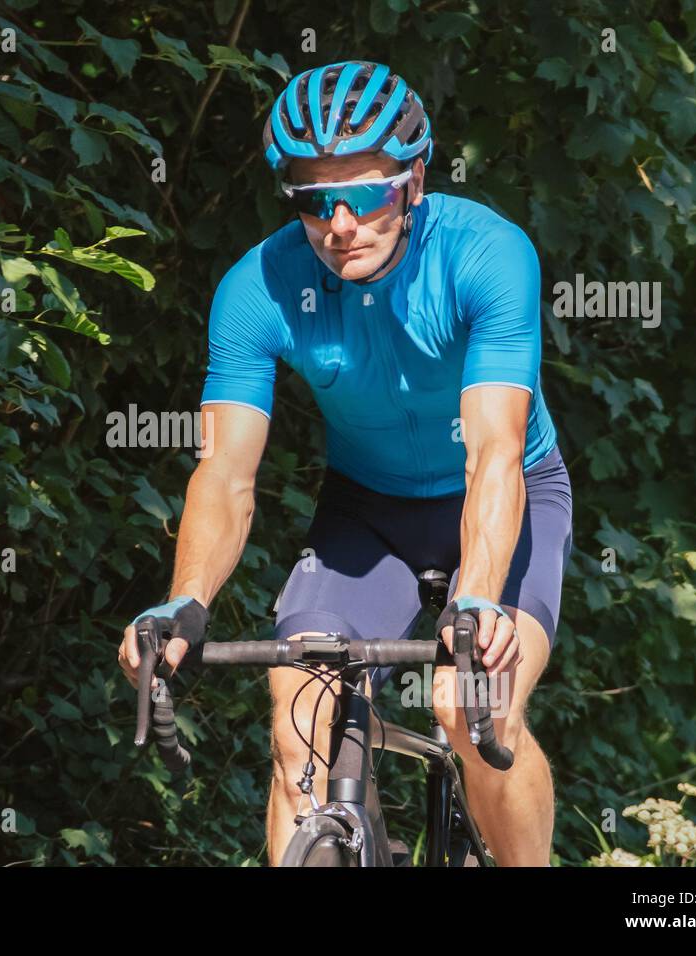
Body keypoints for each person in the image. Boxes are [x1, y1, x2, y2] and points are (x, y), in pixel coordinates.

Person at [118, 60, 573, 866]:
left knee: (474, 709)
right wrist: (184, 599)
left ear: (414, 180)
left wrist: (477, 600)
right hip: (368, 514)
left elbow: (496, 451)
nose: (339, 223)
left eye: (364, 194)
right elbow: (224, 473)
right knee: (301, 720)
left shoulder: (487, 254)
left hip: (510, 497)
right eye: (312, 200)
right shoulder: (258, 288)